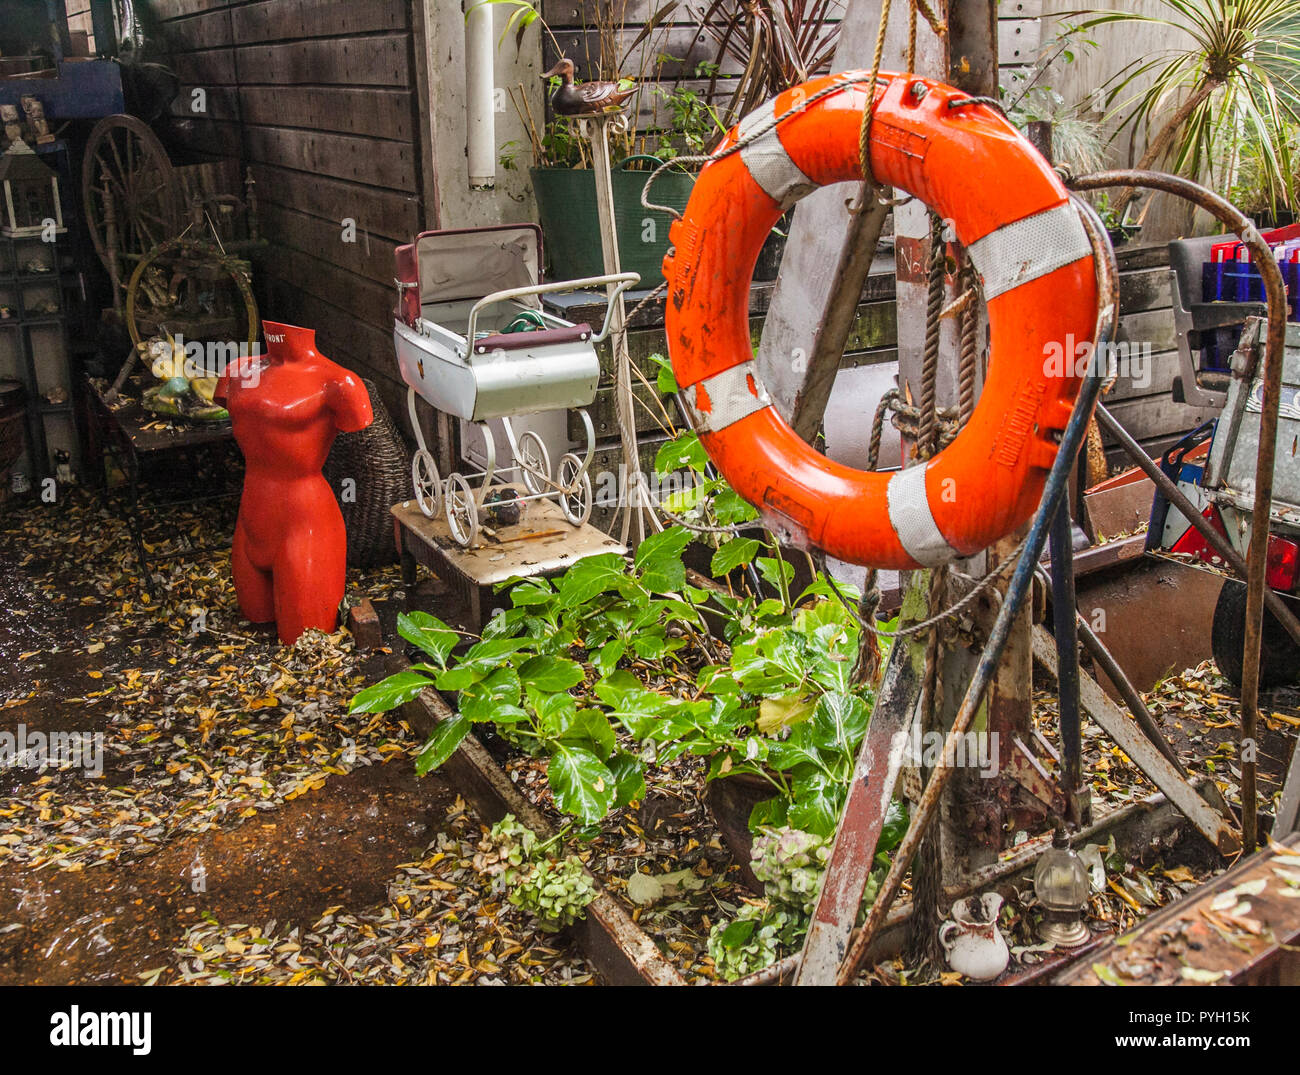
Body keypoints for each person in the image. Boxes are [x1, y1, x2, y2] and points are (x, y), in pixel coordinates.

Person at [215, 321, 372, 644]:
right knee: (251, 626)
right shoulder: (237, 370)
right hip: (252, 516)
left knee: (302, 639)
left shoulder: (339, 382)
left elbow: (358, 422)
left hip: (305, 524)